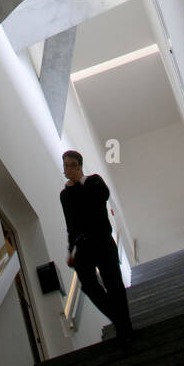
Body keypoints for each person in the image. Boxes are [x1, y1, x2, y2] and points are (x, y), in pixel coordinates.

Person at [60, 150, 135, 350]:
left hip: (102, 240)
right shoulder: (65, 195)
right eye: (65, 165)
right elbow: (71, 225)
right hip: (83, 246)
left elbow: (102, 196)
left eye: (70, 165)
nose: (66, 169)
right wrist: (71, 251)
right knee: (89, 285)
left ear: (78, 166)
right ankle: (121, 322)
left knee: (114, 284)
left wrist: (80, 182)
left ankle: (124, 329)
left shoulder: (93, 182)